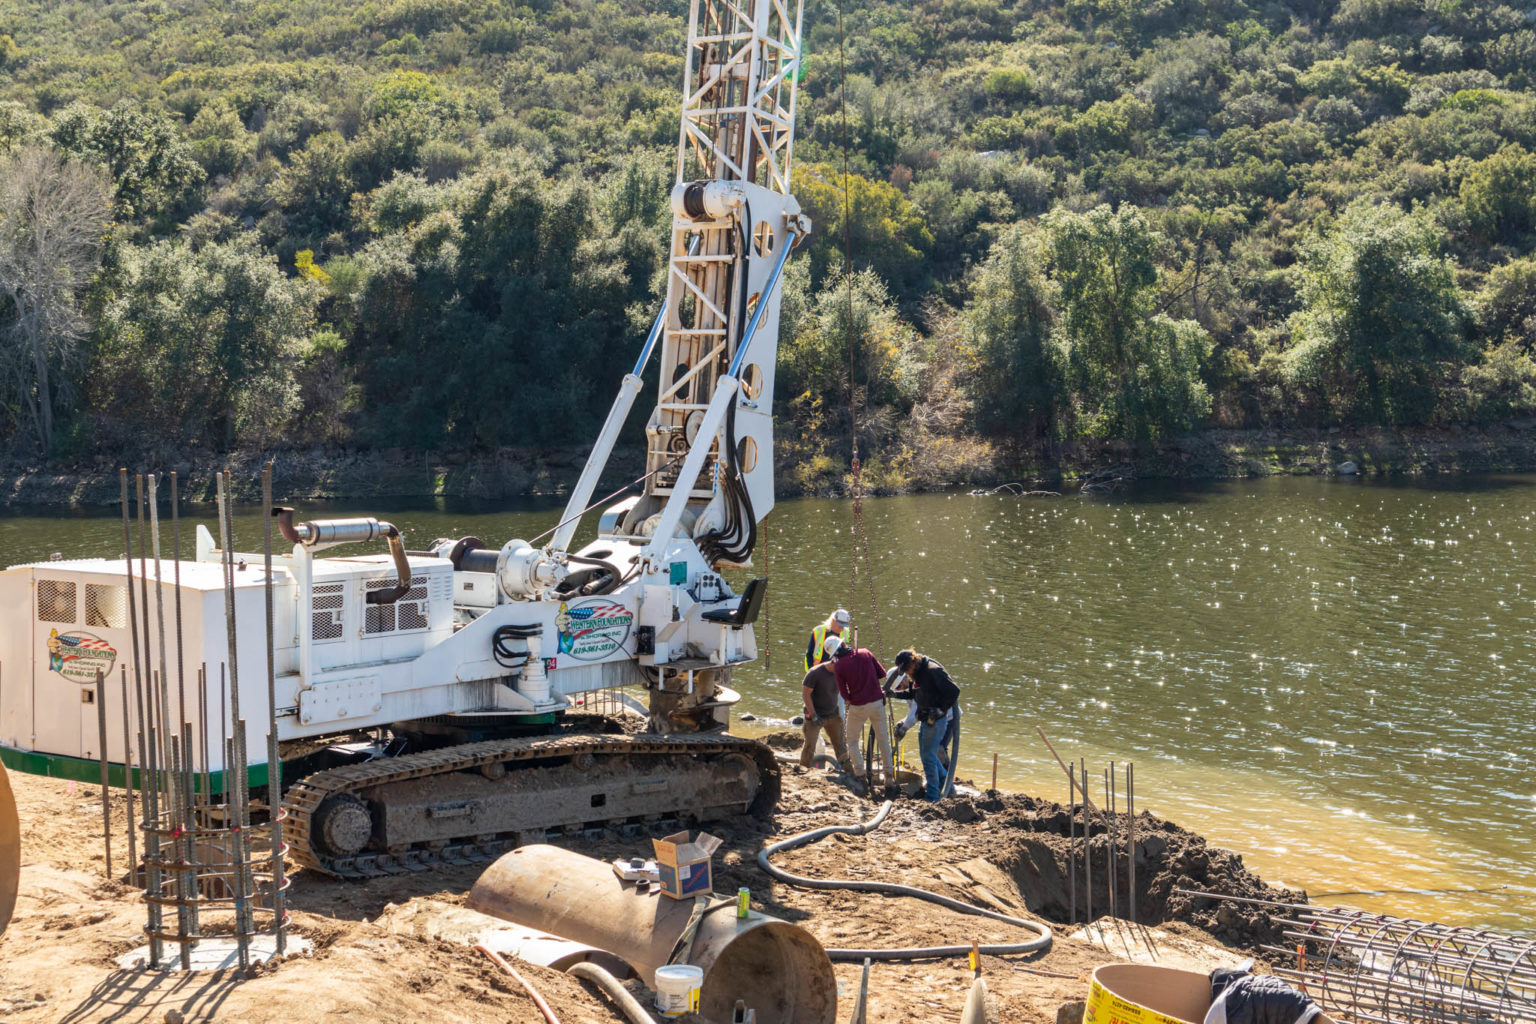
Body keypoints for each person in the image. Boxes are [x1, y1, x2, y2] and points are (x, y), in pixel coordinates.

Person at [890, 648, 960, 801]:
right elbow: (913, 694)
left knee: (929, 758)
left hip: (936, 720)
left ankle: (933, 796)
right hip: (925, 718)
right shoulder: (916, 673)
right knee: (928, 756)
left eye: (905, 670)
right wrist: (894, 694)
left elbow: (954, 691)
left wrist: (940, 709)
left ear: (912, 662)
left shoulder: (932, 670)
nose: (905, 674)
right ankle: (949, 788)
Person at [828, 636, 894, 794]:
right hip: (877, 702)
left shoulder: (839, 667)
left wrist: (855, 697)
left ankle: (860, 774)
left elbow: (844, 694)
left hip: (858, 706)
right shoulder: (865, 653)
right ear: (844, 644)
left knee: (851, 740)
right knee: (883, 740)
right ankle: (889, 778)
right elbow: (882, 674)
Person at [799, 658, 845, 771]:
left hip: (832, 714)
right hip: (815, 714)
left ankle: (846, 768)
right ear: (832, 662)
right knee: (810, 745)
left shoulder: (841, 672)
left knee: (841, 745)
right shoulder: (814, 673)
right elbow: (805, 695)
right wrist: (814, 715)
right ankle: (804, 768)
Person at [804, 609, 851, 673]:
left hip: (835, 672)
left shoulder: (846, 633)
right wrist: (811, 672)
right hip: (818, 670)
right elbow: (809, 654)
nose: (842, 628)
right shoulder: (818, 631)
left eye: (844, 625)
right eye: (840, 625)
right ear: (833, 621)